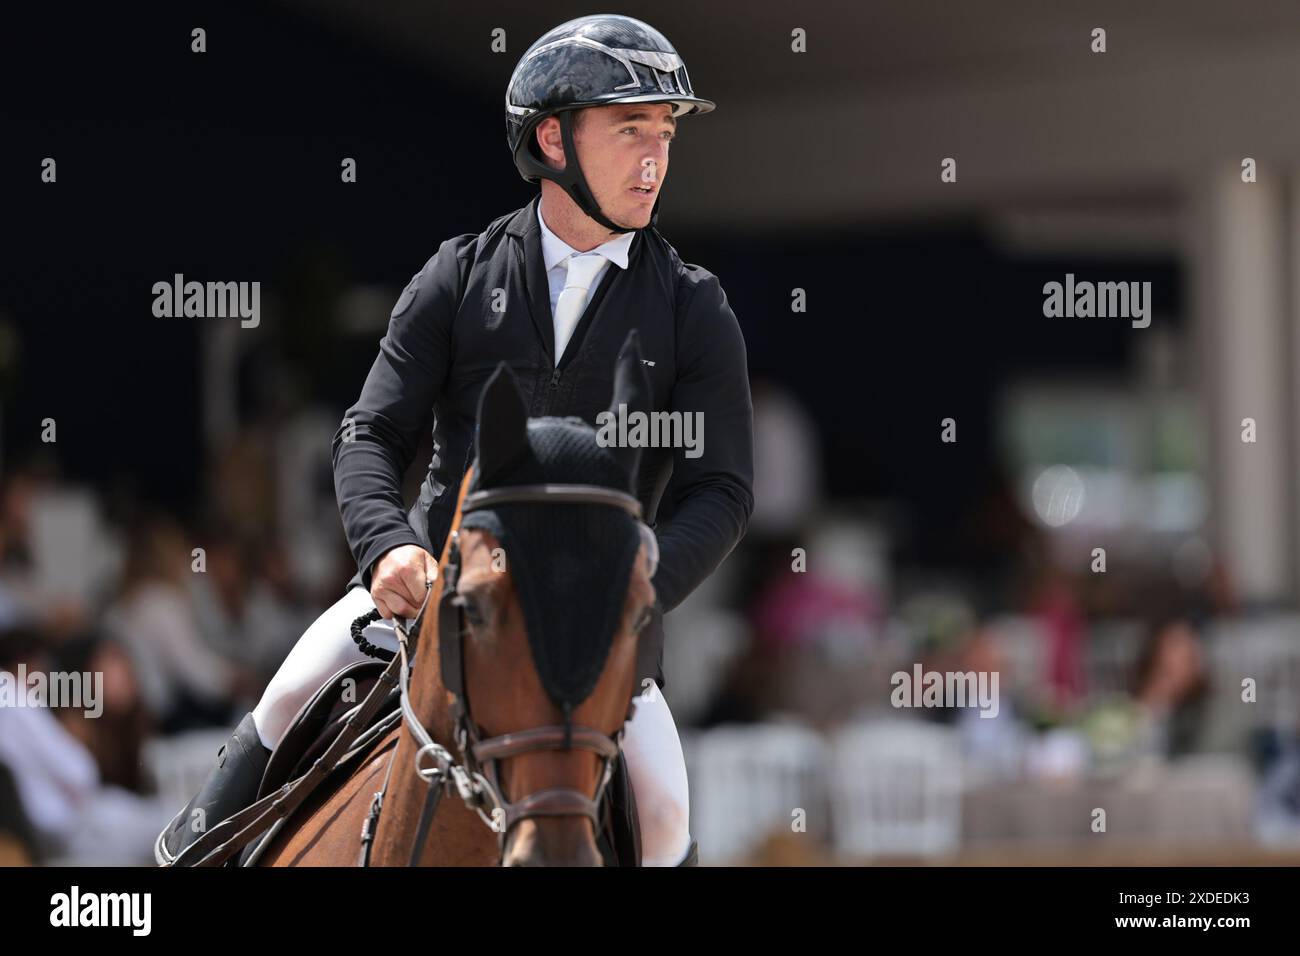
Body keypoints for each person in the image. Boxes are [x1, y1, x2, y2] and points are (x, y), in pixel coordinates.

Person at [158, 14, 754, 867]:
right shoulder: (460, 275)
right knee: (291, 690)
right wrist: (387, 548)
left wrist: (639, 576)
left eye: (663, 133)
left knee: (662, 815)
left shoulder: (694, 308)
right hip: (440, 590)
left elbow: (724, 491)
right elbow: (370, 433)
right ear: (553, 139)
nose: (655, 155)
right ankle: (189, 858)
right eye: (630, 131)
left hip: (603, 628)